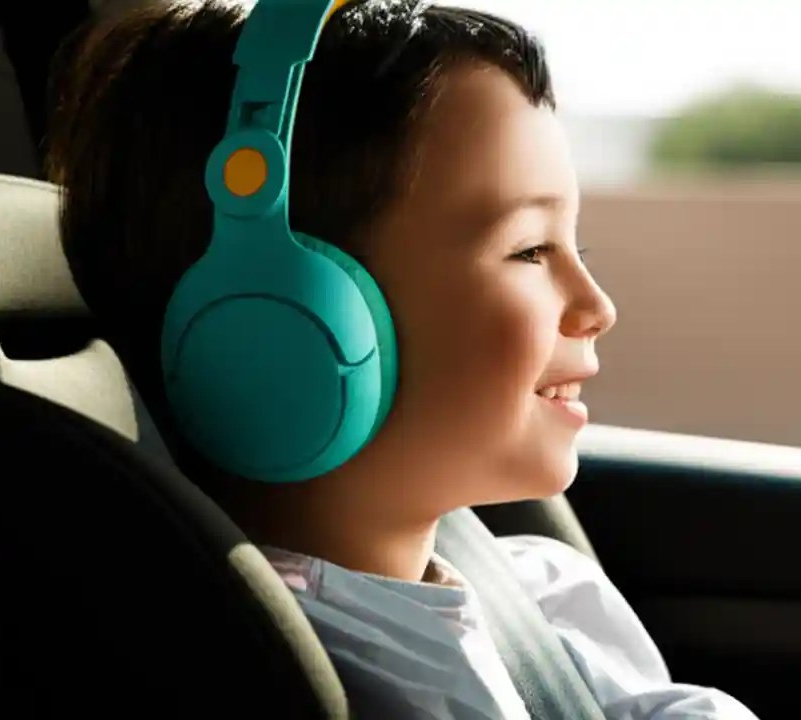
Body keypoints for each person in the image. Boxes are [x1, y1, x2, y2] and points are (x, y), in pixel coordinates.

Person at [45, 0, 760, 717]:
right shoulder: (275, 674)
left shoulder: (540, 596)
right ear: (279, 322)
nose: (597, 305)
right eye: (530, 250)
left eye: (579, 247)